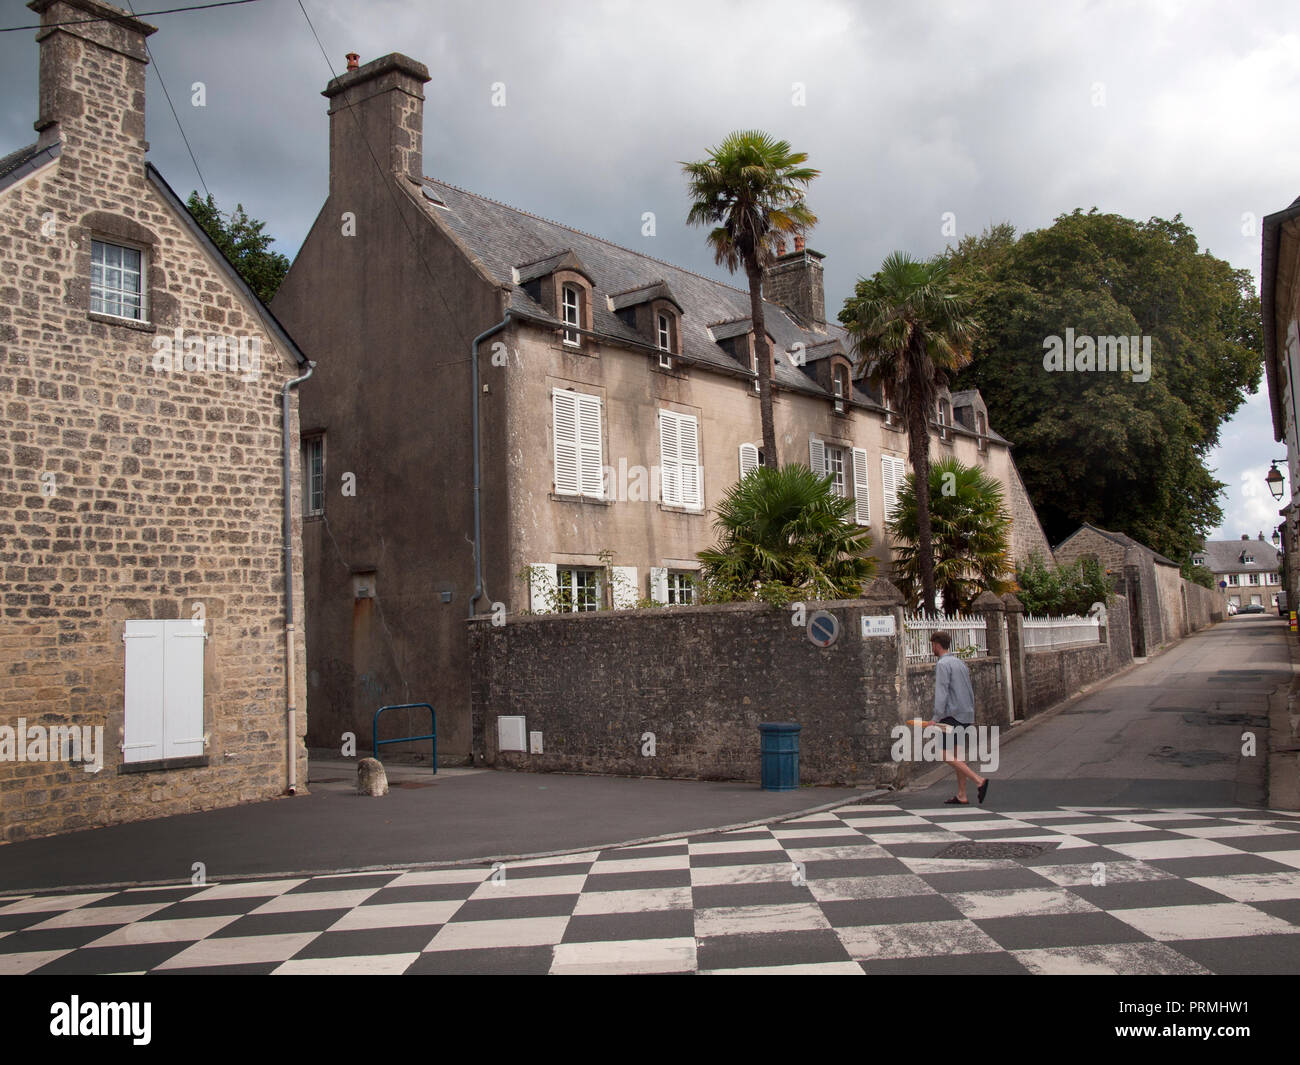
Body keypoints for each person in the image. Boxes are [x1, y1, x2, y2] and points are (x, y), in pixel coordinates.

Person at [928, 630, 988, 805]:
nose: (932, 647)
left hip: (951, 714)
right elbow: (968, 688)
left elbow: (942, 692)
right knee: (957, 755)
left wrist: (936, 717)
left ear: (937, 645)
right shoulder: (960, 663)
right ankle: (962, 794)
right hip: (965, 713)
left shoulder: (942, 664)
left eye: (932, 644)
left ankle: (979, 781)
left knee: (944, 754)